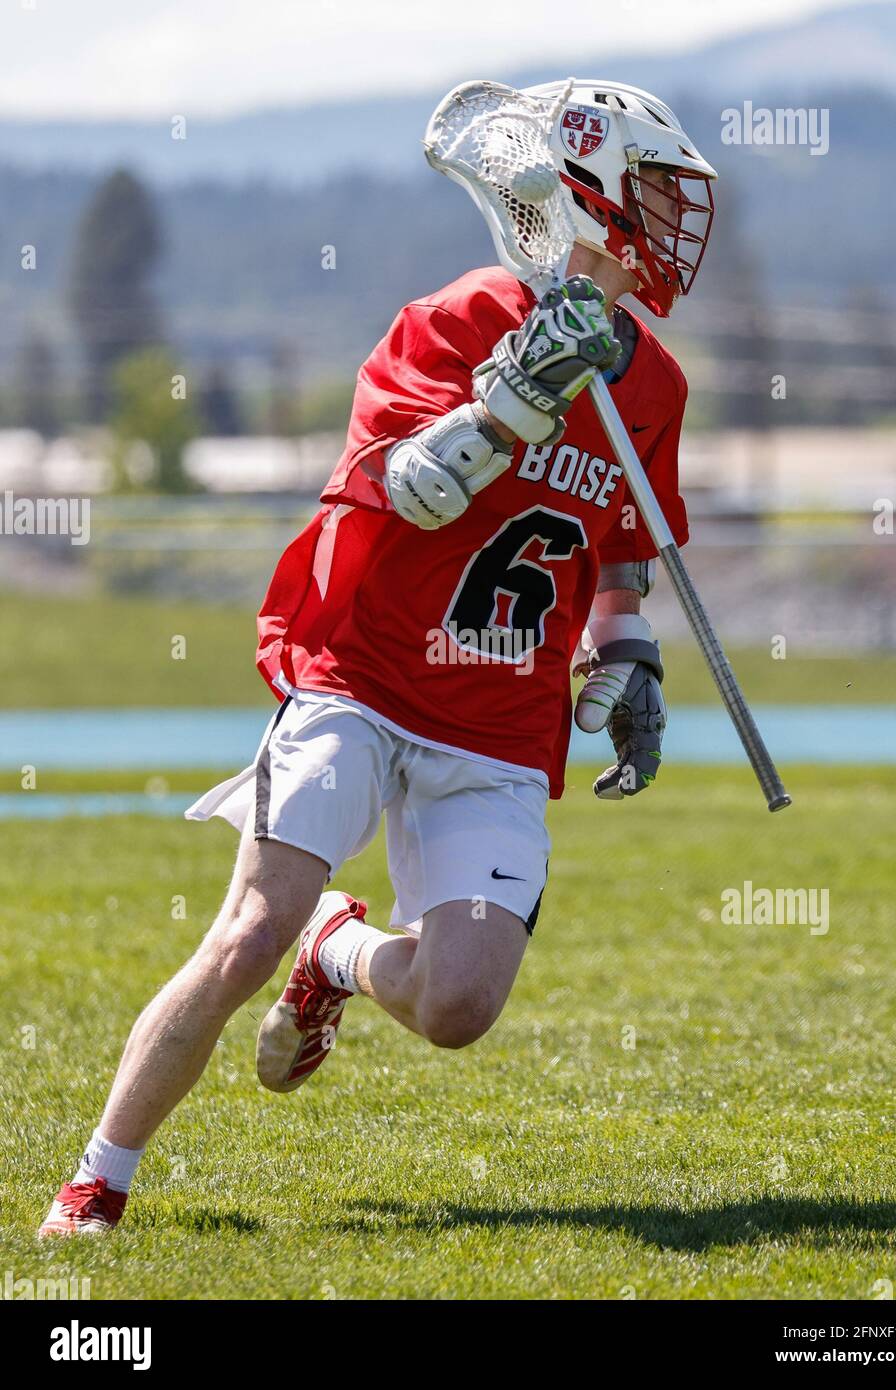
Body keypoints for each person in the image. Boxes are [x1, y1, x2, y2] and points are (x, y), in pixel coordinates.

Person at [39, 78, 717, 1236]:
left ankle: (342, 953)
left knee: (458, 1005)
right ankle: (101, 1176)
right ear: (586, 187)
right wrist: (519, 395)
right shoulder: (456, 319)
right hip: (362, 675)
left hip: (498, 718)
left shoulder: (652, 382)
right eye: (653, 191)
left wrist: (632, 657)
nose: (671, 222)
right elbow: (405, 490)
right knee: (251, 924)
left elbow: (620, 552)